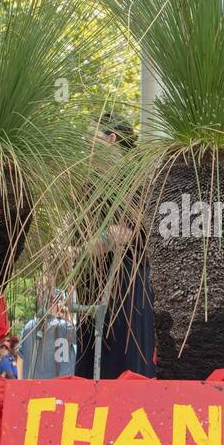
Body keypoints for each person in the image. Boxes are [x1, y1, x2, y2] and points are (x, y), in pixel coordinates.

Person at [75, 116, 157, 379]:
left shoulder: (133, 178)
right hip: (92, 291)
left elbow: (123, 232)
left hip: (127, 289)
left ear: (112, 139)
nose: (85, 144)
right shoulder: (88, 185)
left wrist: (78, 252)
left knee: (124, 372)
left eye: (91, 137)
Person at [22, 292, 77, 380]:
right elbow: (78, 334)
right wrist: (67, 313)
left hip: (33, 387)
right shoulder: (65, 326)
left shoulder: (29, 326)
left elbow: (21, 357)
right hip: (61, 386)